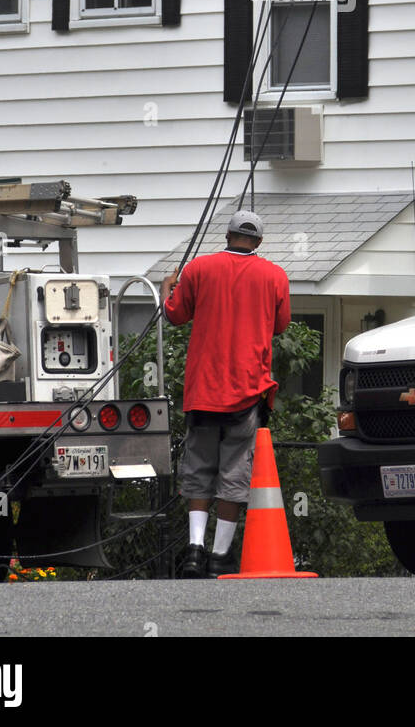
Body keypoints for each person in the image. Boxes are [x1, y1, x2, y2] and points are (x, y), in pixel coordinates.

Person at [160, 209, 291, 578]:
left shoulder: (199, 270)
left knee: (199, 468)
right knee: (235, 474)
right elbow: (280, 325)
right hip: (248, 391)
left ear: (228, 235)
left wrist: (167, 287)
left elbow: (174, 315)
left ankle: (194, 552)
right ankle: (220, 557)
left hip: (203, 389)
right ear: (259, 242)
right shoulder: (275, 276)